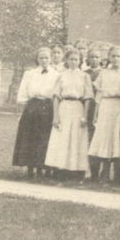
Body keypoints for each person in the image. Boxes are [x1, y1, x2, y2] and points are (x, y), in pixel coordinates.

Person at [45, 49, 94, 182]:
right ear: (66, 60)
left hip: (78, 107)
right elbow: (56, 96)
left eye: (76, 59)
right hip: (64, 107)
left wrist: (85, 116)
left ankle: (76, 172)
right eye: (71, 59)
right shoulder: (61, 75)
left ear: (80, 61)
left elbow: (88, 98)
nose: (73, 62)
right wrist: (55, 116)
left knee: (76, 138)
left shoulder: (85, 76)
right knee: (62, 138)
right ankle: (60, 171)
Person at [87, 47, 120, 184]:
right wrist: (95, 114)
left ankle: (118, 175)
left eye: (118, 56)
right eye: (113, 56)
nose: (116, 59)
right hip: (106, 106)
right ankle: (105, 173)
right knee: (104, 139)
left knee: (116, 139)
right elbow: (99, 95)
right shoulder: (103, 73)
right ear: (108, 57)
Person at [12, 48, 58, 178]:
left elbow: (56, 94)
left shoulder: (56, 75)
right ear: (37, 59)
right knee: (30, 138)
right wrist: (22, 112)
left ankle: (43, 168)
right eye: (41, 58)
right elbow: (23, 93)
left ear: (51, 59)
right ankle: (30, 168)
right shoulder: (30, 74)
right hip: (33, 107)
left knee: (45, 138)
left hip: (48, 107)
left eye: (46, 58)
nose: (44, 61)